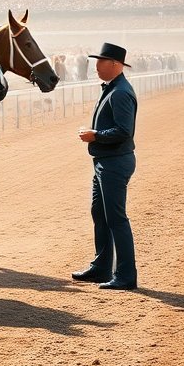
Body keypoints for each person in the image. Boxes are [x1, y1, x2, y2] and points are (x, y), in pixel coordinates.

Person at [72, 42, 139, 291]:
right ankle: (102, 267)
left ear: (115, 64)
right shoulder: (113, 88)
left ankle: (126, 275)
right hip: (105, 161)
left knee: (116, 219)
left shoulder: (120, 92)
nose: (96, 66)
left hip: (114, 163)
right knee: (99, 214)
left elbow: (124, 131)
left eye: (100, 61)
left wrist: (96, 135)